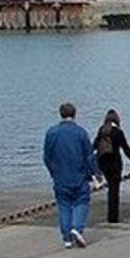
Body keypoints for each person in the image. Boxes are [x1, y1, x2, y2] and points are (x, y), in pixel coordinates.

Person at [43, 103, 97, 249]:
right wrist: (95, 174)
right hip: (79, 175)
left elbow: (47, 157)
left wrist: (53, 172)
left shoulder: (51, 133)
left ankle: (66, 237)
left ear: (60, 114)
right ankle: (77, 228)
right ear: (74, 114)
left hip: (60, 175)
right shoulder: (81, 133)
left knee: (64, 205)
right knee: (82, 201)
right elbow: (89, 157)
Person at [93, 109, 130, 223]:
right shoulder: (118, 132)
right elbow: (126, 149)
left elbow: (94, 146)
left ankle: (110, 216)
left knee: (109, 186)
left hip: (102, 163)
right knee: (114, 191)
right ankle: (113, 217)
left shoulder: (101, 130)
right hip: (115, 163)